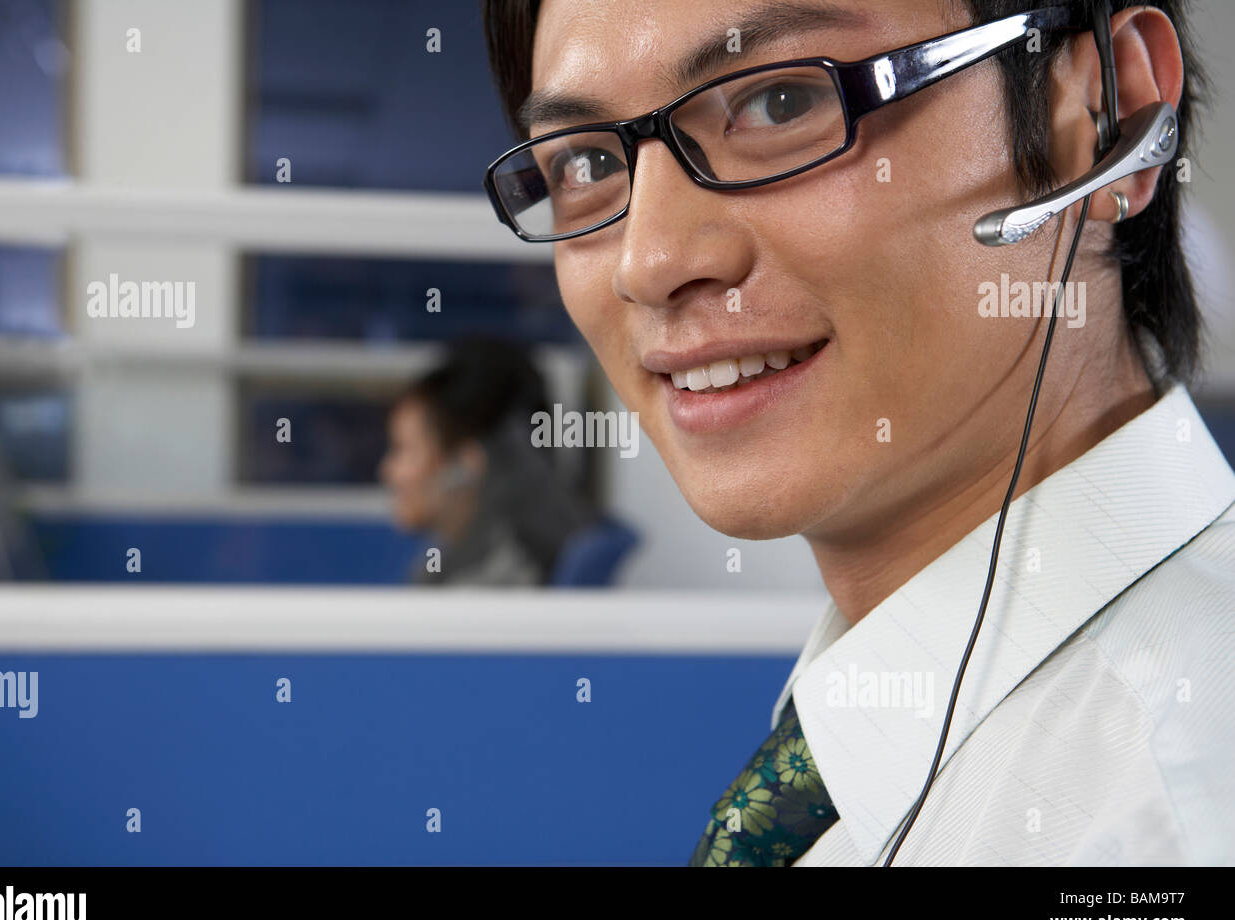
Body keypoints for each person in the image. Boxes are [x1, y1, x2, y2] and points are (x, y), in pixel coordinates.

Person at [479, 0, 1234, 865]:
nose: (648, 264)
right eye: (584, 161)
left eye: (779, 104)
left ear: (1103, 117)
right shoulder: (882, 712)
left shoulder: (1171, 814)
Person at [380, 337, 591, 586]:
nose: (387, 471)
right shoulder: (538, 550)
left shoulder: (491, 584)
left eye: (402, 450)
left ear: (464, 462)